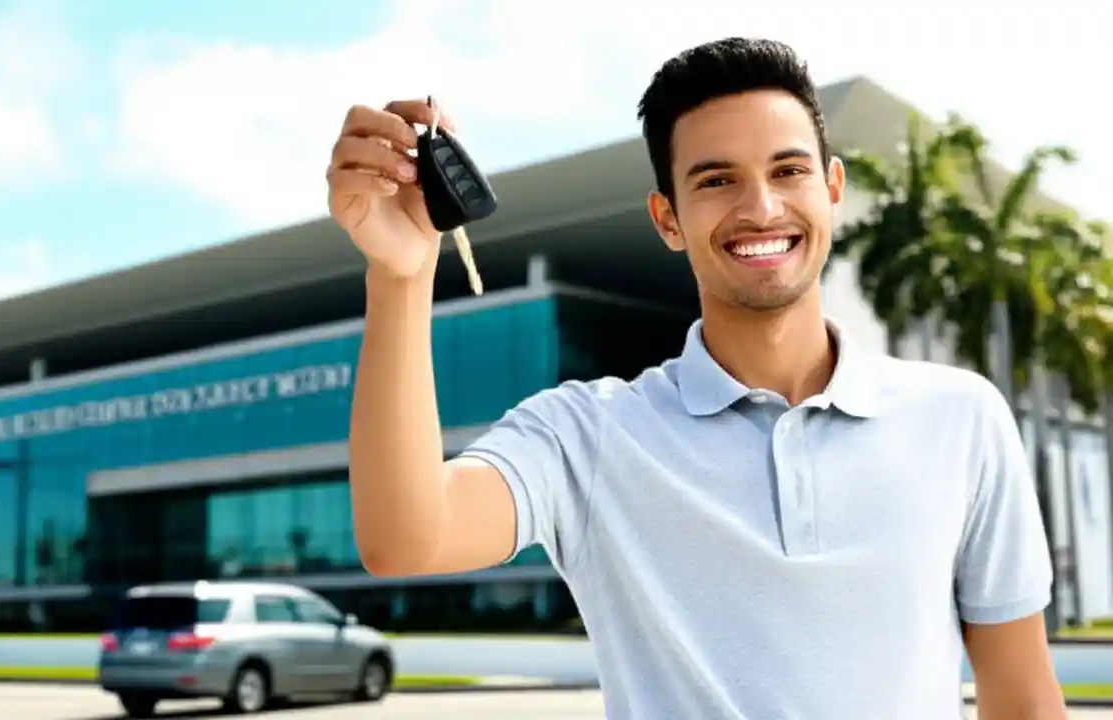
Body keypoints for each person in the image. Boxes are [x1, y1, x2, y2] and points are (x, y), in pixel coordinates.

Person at [325, 37, 1066, 719]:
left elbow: (1025, 701)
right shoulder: (588, 437)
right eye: (717, 180)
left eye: (788, 170)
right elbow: (406, 538)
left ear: (832, 188)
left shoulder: (960, 416)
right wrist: (402, 276)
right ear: (667, 218)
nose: (761, 207)